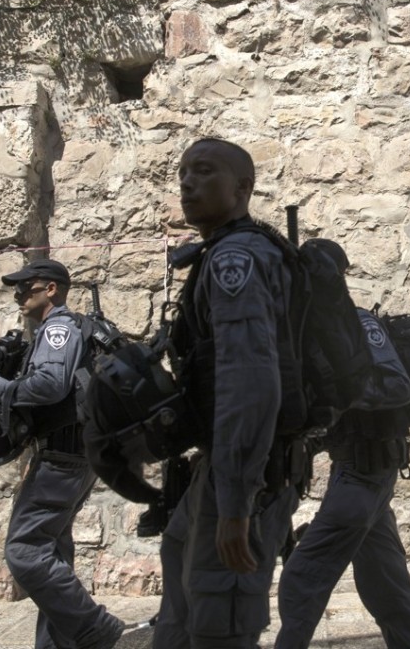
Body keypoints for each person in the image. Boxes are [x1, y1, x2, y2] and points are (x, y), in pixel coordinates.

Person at [152, 138, 300, 649]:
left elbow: (249, 382)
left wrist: (236, 503)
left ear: (242, 188)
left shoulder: (234, 259)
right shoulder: (228, 251)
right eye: (183, 173)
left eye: (204, 171)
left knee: (221, 618)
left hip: (244, 475)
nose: (187, 183)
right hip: (220, 465)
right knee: (179, 587)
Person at [274, 239, 410, 649]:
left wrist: (338, 391)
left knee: (301, 578)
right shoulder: (313, 332)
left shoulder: (359, 326)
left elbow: (399, 388)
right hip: (358, 473)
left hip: (366, 474)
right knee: (385, 585)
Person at [0, 258, 125, 649]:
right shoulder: (57, 329)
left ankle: (95, 627)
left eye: (27, 287)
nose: (19, 295)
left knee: (23, 550)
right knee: (53, 549)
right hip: (76, 452)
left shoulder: (58, 328)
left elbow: (50, 385)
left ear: (51, 289)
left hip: (63, 456)